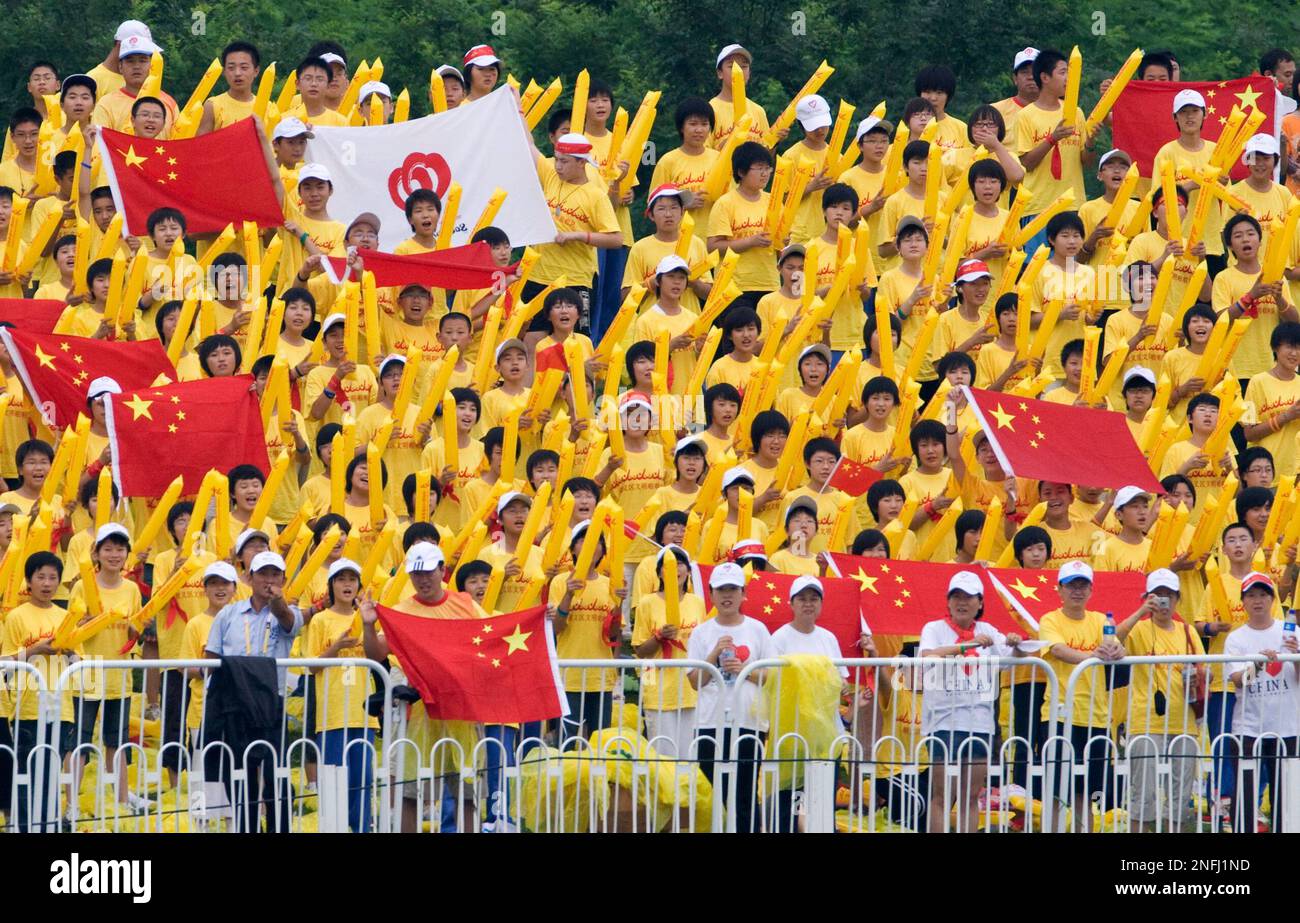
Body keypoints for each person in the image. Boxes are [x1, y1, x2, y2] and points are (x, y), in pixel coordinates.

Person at [203, 550, 303, 832]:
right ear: (248, 577)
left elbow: (287, 621)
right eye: (263, 574)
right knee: (239, 772)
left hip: (271, 701)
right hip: (235, 702)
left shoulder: (287, 610)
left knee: (275, 773)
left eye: (275, 575)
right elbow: (211, 656)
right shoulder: (228, 614)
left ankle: (278, 828)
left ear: (283, 579)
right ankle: (247, 827)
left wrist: (277, 600)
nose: (268, 580)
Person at [918, 571, 1025, 832]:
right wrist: (967, 646)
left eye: (969, 597)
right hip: (943, 722)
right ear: (948, 601)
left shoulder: (987, 630)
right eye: (956, 596)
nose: (962, 602)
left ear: (980, 603)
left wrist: (1015, 643)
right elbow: (928, 655)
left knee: (970, 796)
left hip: (979, 723)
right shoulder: (934, 628)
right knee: (943, 796)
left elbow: (1014, 657)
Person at [1114, 568, 1205, 832]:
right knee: (1143, 793)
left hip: (1183, 721)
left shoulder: (1188, 630)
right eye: (1158, 595)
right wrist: (1141, 612)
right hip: (1145, 720)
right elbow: (1113, 639)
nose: (1164, 602)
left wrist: (1197, 677)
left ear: (1178, 599)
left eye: (1169, 595)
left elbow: (1204, 669)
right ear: (1147, 597)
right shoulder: (1138, 628)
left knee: (1181, 794)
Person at [687, 562, 775, 832]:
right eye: (721, 590)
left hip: (748, 722)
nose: (727, 596)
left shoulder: (758, 629)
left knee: (745, 790)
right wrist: (713, 655)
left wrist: (744, 671)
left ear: (743, 593)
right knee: (710, 791)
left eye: (733, 589)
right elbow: (694, 681)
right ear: (711, 594)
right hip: (709, 722)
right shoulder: (701, 633)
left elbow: (770, 675)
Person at [1038, 561, 1126, 831]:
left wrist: (1115, 653)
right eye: (1071, 585)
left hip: (1096, 716)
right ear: (1060, 590)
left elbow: (1117, 650)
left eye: (1083, 585)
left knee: (1085, 793)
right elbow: (1058, 650)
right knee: (1054, 791)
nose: (1077, 591)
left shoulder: (1102, 620)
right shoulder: (1050, 619)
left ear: (1091, 589)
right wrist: (1091, 657)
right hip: (1059, 714)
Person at [2, 552, 79, 831]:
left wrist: (70, 652)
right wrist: (35, 650)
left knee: (51, 773)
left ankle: (50, 824)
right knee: (27, 771)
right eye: (41, 577)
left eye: (53, 578)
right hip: (28, 708)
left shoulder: (66, 617)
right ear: (28, 581)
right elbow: (5, 664)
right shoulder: (16, 617)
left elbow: (79, 663)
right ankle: (26, 826)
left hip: (61, 707)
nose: (47, 583)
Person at [302, 558, 377, 833]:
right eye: (341, 579)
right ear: (331, 585)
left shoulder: (366, 619)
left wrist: (368, 626)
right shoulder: (321, 620)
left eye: (352, 579)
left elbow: (377, 655)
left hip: (363, 713)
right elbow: (311, 665)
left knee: (362, 778)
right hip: (332, 715)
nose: (347, 584)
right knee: (334, 779)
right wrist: (337, 647)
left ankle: (361, 827)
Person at [1225, 572, 1300, 833]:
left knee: (1285, 794)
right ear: (1243, 602)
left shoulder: (1291, 632)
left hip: (1287, 727)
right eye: (1251, 596)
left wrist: (1295, 656)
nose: (1257, 601)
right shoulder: (1235, 638)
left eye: (1263, 595)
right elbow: (1236, 679)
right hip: (1248, 727)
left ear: (1272, 599)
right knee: (1244, 792)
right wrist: (1257, 665)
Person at [1014, 49, 1094, 255]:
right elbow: (1028, 163)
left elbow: (1086, 162)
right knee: (1038, 270)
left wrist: (1091, 142)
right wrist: (1052, 139)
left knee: (1069, 271)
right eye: (1063, 72)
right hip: (1039, 206)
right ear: (1045, 77)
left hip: (1073, 202)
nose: (1069, 78)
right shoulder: (1026, 116)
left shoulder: (1075, 112)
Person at [632, 544, 704, 759]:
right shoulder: (647, 603)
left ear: (688, 571)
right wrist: (659, 637)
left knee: (689, 756)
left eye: (680, 564)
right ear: (659, 572)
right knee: (664, 757)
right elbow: (639, 650)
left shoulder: (697, 602)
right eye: (668, 565)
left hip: (691, 690)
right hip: (659, 690)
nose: (675, 569)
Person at [1213, 213, 1300, 384]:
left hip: (1271, 367)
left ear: (1260, 241)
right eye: (1238, 236)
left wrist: (1279, 298)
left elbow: (1295, 321)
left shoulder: (1276, 277)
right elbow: (1221, 320)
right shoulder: (1224, 278)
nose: (1245, 239)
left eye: (1251, 234)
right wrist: (1251, 296)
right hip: (1236, 367)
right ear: (1230, 245)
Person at [706, 141, 778, 310]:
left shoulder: (773, 201)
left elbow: (781, 247)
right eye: (759, 168)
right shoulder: (725, 203)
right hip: (734, 287)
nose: (765, 173)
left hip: (769, 283)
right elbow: (713, 247)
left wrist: (783, 240)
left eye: (768, 168)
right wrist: (751, 241)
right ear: (741, 172)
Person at [1243, 321, 1300, 479]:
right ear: (1275, 348)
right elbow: (1249, 434)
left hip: (1296, 473)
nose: (1294, 353)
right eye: (1289, 346)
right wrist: (1286, 417)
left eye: (1298, 347)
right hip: (1266, 474)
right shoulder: (1256, 382)